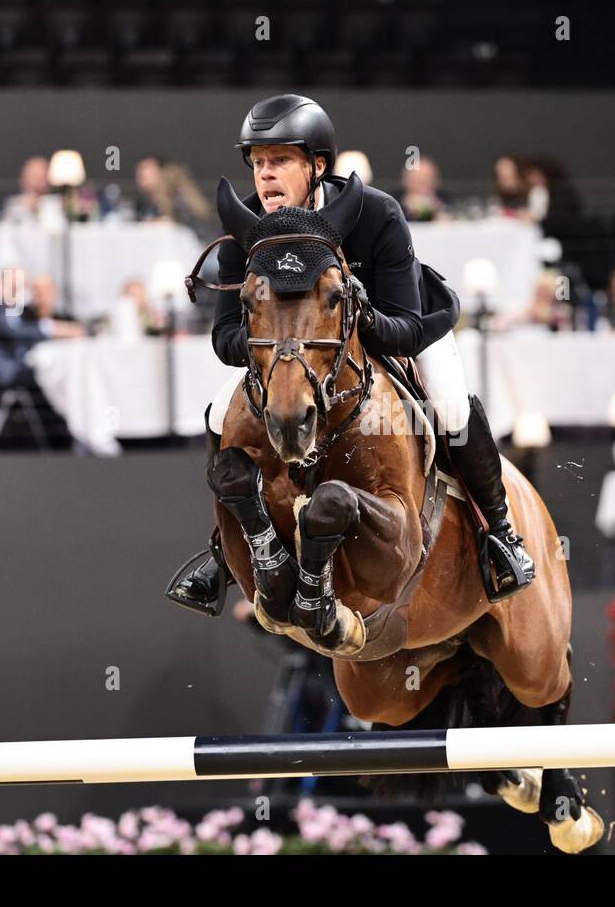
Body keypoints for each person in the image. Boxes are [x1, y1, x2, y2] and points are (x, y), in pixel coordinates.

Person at [171, 94, 535, 613]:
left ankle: (499, 535)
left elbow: (406, 326)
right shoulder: (245, 230)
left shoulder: (377, 213)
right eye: (257, 163)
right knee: (216, 414)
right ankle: (224, 553)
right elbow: (225, 339)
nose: (265, 175)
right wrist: (267, 342)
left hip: (400, 329)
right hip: (293, 356)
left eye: (280, 161)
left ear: (317, 164)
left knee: (451, 406)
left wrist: (353, 320)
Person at [398, 157, 449, 223]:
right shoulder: (393, 205)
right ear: (406, 181)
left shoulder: (445, 201)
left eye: (429, 178)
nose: (425, 182)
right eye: (419, 178)